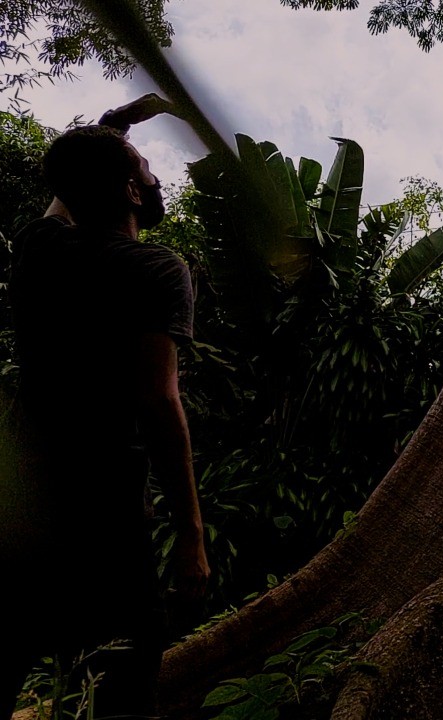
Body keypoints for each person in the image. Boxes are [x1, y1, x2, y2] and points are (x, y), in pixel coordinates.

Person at [1, 94, 209, 718]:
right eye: (146, 168)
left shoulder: (38, 248)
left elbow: (68, 189)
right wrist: (192, 537)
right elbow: (158, 402)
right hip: (105, 504)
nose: (155, 175)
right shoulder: (156, 269)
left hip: (20, 496)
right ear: (130, 191)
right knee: (128, 670)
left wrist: (112, 129)